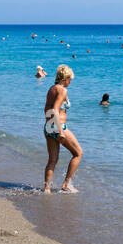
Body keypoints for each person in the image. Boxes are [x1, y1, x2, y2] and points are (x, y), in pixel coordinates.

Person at [43, 65, 83, 193]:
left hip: (48, 126)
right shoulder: (62, 90)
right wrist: (60, 131)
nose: (70, 82)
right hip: (58, 126)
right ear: (65, 78)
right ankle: (66, 184)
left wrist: (49, 126)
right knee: (78, 153)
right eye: (70, 79)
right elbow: (55, 109)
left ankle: (46, 188)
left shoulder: (51, 89)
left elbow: (47, 109)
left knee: (52, 159)